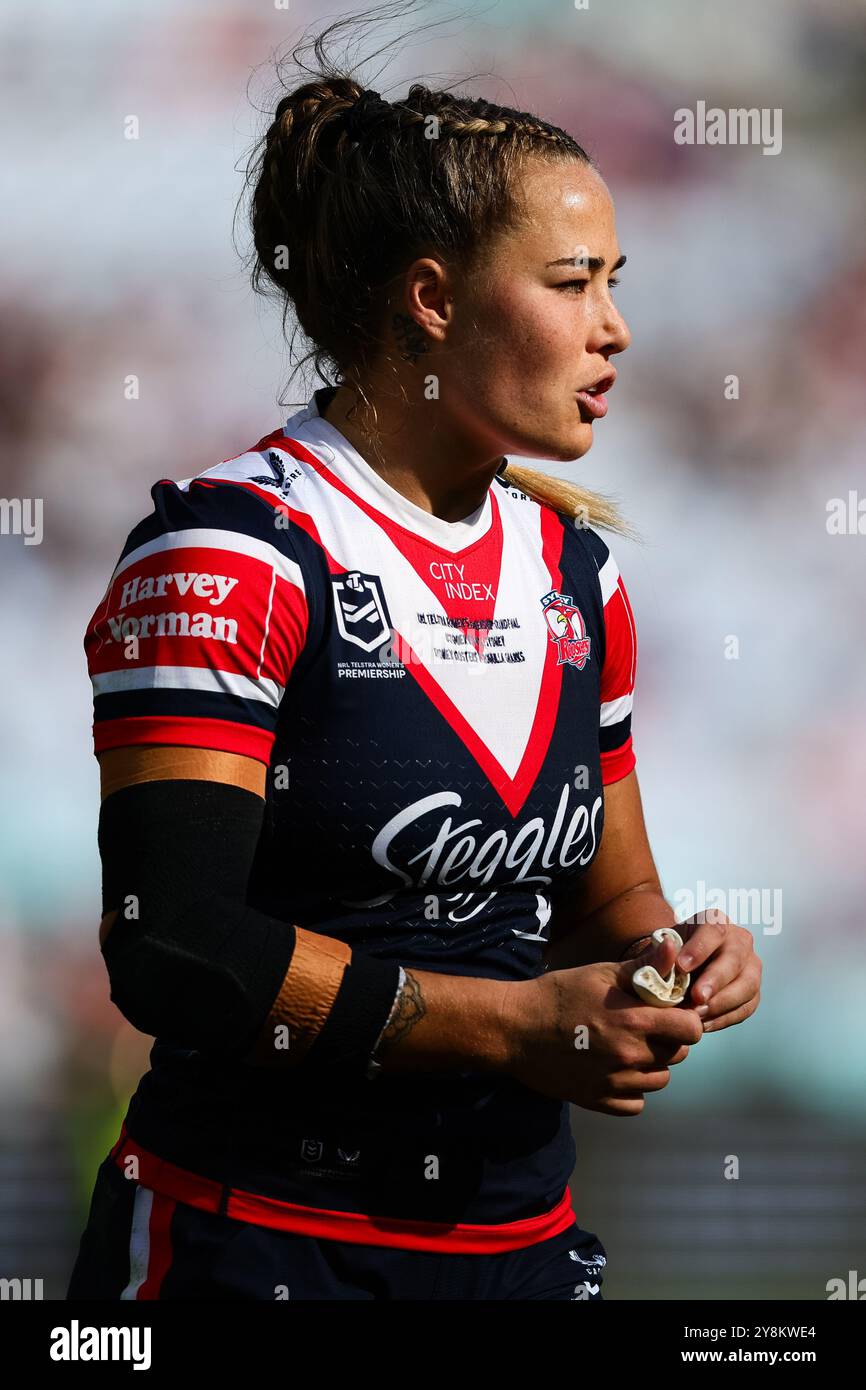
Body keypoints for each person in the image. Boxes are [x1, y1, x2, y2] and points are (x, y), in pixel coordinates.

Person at [66, 39, 761, 1303]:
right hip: (256, 1247)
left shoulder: (575, 572)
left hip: (522, 1255)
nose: (614, 328)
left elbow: (614, 903)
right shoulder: (235, 551)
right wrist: (513, 1026)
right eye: (570, 282)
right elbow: (174, 945)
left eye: (615, 280)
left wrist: (676, 965)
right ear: (432, 301)